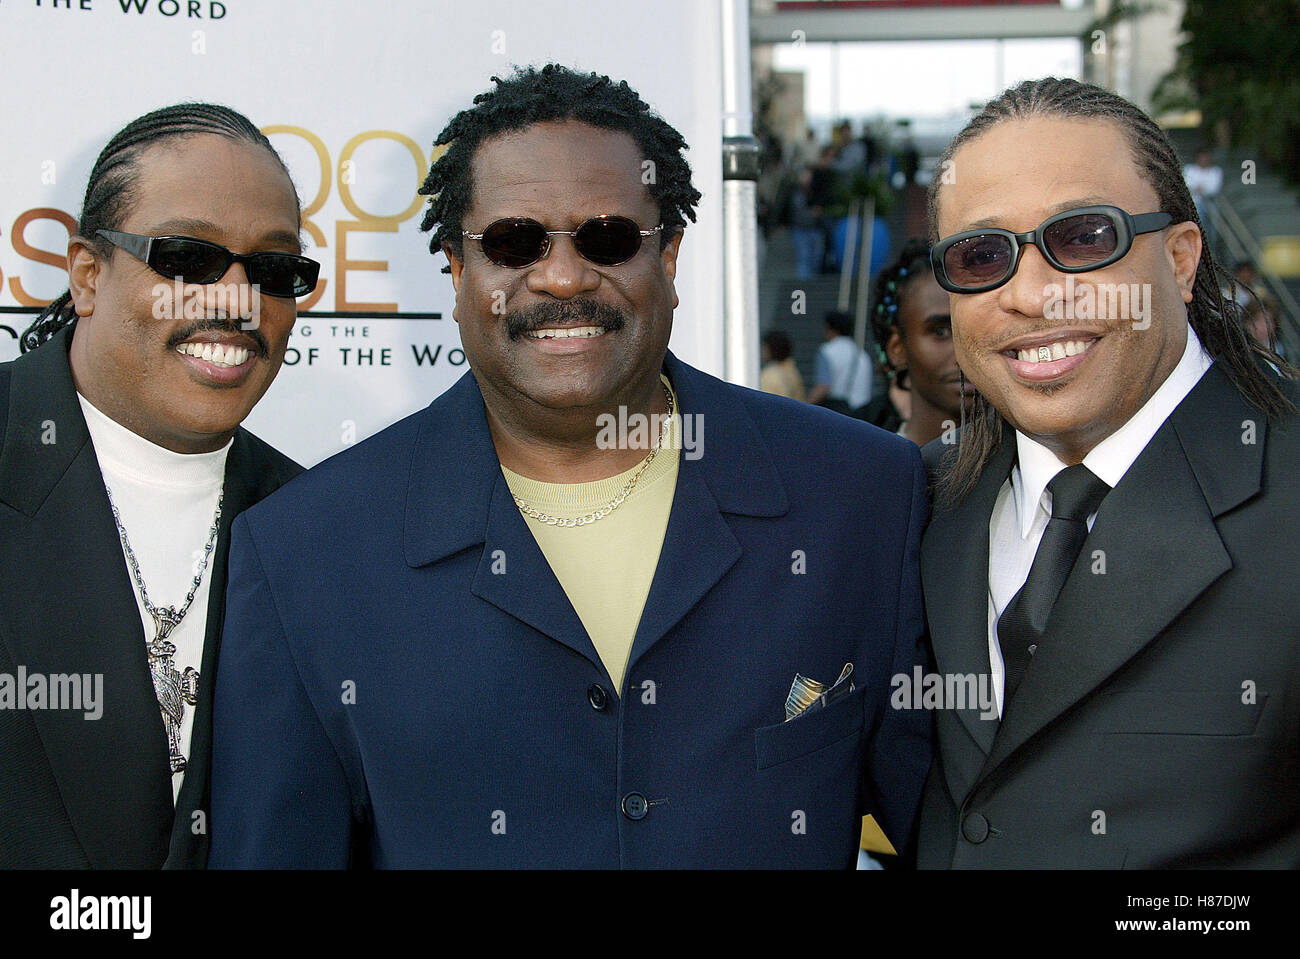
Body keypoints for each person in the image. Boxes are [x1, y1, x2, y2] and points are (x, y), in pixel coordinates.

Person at [208, 64, 932, 869]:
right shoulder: (303, 550)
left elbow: (947, 833)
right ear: (455, 269)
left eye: (608, 237)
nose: (561, 275)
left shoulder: (861, 494)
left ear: (670, 257)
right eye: (515, 242)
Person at [919, 77, 1299, 868]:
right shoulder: (911, 504)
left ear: (1183, 257)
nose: (1029, 294)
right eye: (981, 256)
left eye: (1085, 237)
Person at [0, 103, 313, 868]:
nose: (238, 301)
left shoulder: (320, 526)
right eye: (188, 256)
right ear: (86, 274)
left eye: (274, 270)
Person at [862, 238, 971, 444]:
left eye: (976, 328)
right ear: (897, 349)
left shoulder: (1032, 472)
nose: (964, 352)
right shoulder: (865, 470)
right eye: (940, 332)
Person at [809, 309, 872, 413]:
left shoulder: (827, 351)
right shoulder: (863, 355)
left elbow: (824, 386)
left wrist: (807, 404)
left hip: (836, 411)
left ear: (830, 328)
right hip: (861, 412)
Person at [759, 329, 805, 401]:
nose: (762, 350)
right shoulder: (792, 370)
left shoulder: (770, 374)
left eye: (764, 347)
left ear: (771, 349)